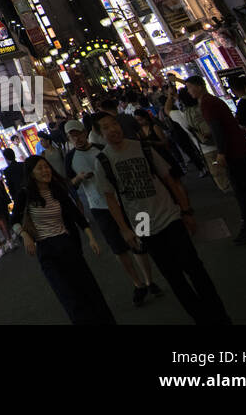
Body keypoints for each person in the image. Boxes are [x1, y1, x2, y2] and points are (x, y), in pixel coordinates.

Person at [96, 114, 232, 325]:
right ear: (99, 133)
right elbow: (110, 199)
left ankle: (220, 317)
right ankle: (201, 318)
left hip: (169, 214)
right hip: (142, 222)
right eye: (106, 127)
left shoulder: (142, 147)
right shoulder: (103, 161)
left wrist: (186, 211)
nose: (113, 129)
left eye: (114, 124)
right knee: (173, 277)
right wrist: (125, 229)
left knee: (195, 268)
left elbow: (169, 179)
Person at [65, 119, 160, 307]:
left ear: (84, 133)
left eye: (78, 134)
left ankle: (150, 281)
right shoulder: (70, 158)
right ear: (68, 138)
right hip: (98, 208)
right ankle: (138, 284)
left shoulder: (101, 149)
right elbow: (69, 185)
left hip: (121, 202)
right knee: (118, 249)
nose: (76, 138)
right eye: (72, 136)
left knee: (137, 241)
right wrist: (79, 178)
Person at [13, 154, 116, 324]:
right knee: (69, 297)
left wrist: (91, 238)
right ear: (31, 173)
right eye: (40, 168)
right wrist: (24, 235)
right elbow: (14, 220)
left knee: (89, 289)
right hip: (47, 251)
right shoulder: (25, 194)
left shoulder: (57, 190)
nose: (45, 170)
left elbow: (76, 215)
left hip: (67, 244)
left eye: (46, 166)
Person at [185, 75, 246, 243]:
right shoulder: (211, 101)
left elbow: (217, 129)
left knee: (241, 191)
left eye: (190, 87)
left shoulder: (208, 103)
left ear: (199, 86)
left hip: (233, 151)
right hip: (239, 147)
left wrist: (221, 152)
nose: (189, 91)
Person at [166, 89, 209, 176]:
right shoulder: (205, 106)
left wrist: (170, 97)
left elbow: (167, 109)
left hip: (206, 149)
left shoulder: (182, 115)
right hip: (222, 142)